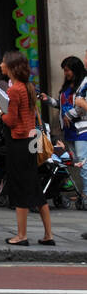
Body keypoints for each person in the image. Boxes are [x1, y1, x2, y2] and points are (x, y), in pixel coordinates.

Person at [0, 51, 54, 247]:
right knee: (35, 188)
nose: (1, 65)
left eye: (3, 62)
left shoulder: (14, 90)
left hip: (17, 143)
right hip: (30, 142)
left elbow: (11, 120)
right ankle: (48, 235)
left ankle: (21, 235)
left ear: (11, 67)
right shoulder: (28, 87)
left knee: (19, 189)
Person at [60, 56, 87, 202]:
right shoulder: (68, 86)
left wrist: (68, 115)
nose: (65, 73)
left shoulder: (84, 84)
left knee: (83, 163)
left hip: (81, 129)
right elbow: (62, 104)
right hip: (69, 130)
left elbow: (82, 105)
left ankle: (85, 194)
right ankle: (81, 192)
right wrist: (49, 100)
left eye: (67, 70)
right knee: (73, 162)